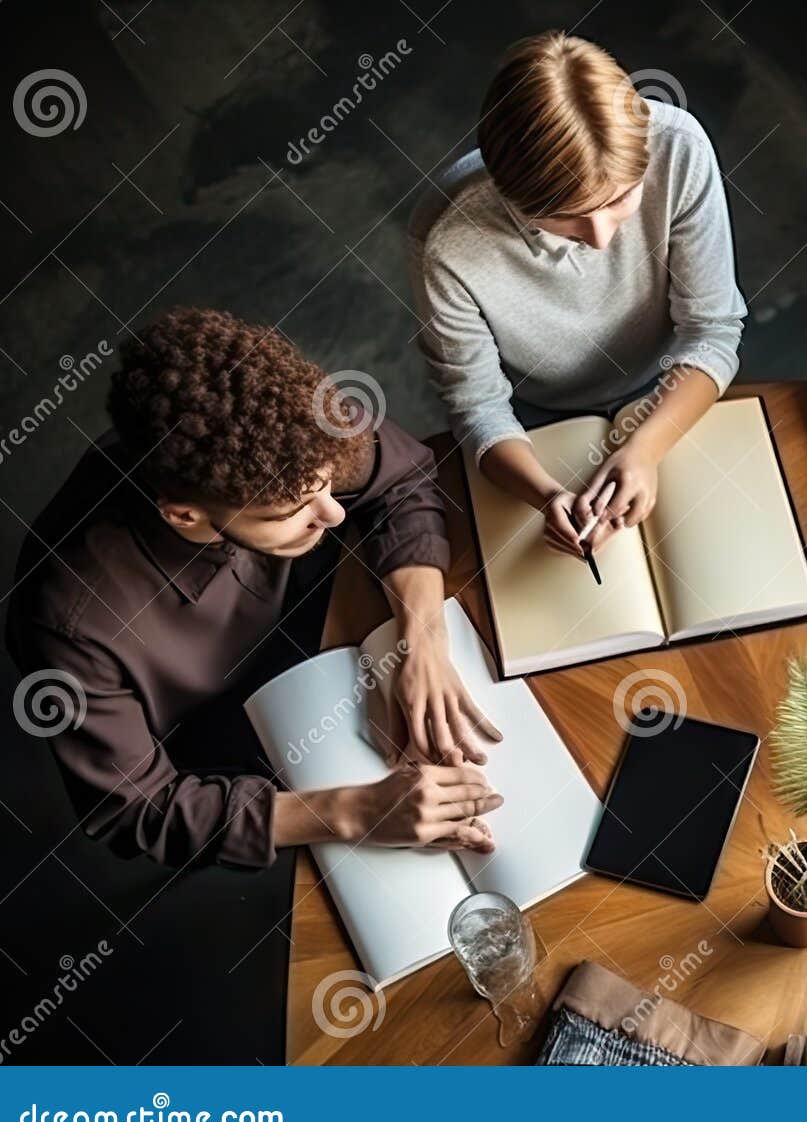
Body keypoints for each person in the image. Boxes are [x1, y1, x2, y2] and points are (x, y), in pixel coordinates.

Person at [7, 307, 506, 870]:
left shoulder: (290, 425)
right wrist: (354, 812)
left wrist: (421, 637)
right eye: (294, 511)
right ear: (186, 516)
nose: (336, 516)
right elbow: (140, 811)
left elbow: (401, 483)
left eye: (327, 486)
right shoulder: (69, 622)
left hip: (333, 621)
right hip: (226, 743)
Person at [408, 31, 745, 559]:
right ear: (507, 191)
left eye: (621, 200)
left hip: (672, 383)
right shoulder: (446, 239)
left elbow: (712, 329)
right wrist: (546, 497)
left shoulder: (679, 149)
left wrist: (646, 449)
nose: (602, 238)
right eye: (566, 219)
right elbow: (476, 405)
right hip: (537, 419)